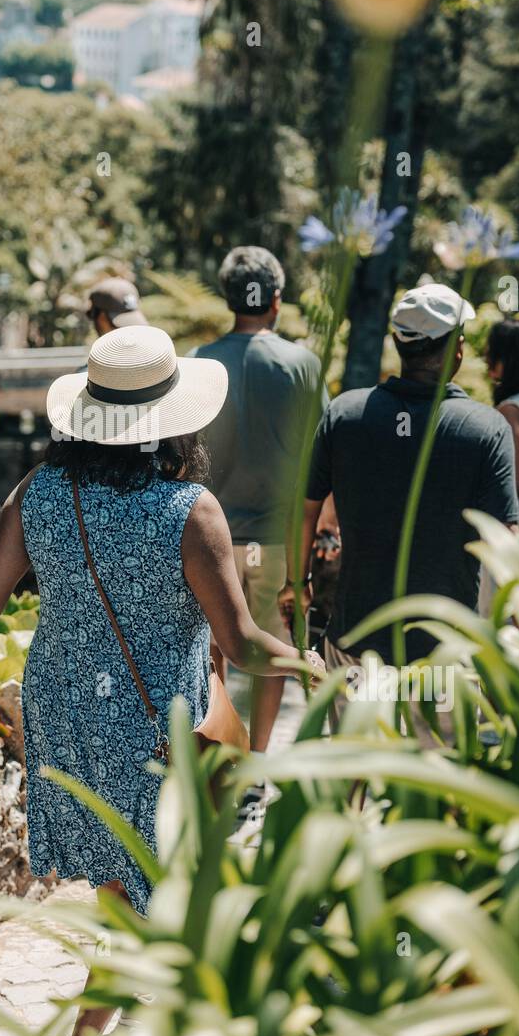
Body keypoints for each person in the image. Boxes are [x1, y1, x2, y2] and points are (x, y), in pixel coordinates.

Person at [0, 326, 324, 1036]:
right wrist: (309, 668)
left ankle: (106, 1031)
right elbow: (241, 642)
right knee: (153, 878)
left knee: (128, 880)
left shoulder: (37, 493)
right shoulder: (190, 511)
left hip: (63, 711)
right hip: (153, 721)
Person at [284, 283, 519, 692]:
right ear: (457, 349)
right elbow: (505, 539)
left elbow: (305, 509)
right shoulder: (486, 429)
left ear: (396, 341)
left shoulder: (345, 414)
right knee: (435, 758)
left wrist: (298, 584)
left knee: (356, 755)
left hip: (355, 643)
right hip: (445, 655)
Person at [194, 246, 330, 755]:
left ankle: (218, 755)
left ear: (229, 298)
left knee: (212, 649)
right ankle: (258, 761)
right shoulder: (303, 364)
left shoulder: (201, 363)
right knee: (276, 651)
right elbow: (323, 460)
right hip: (279, 540)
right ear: (276, 299)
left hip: (209, 539)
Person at [485, 318, 519, 551]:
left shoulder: (512, 411)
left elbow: (508, 485)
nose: (486, 358)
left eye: (492, 352)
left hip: (516, 548)